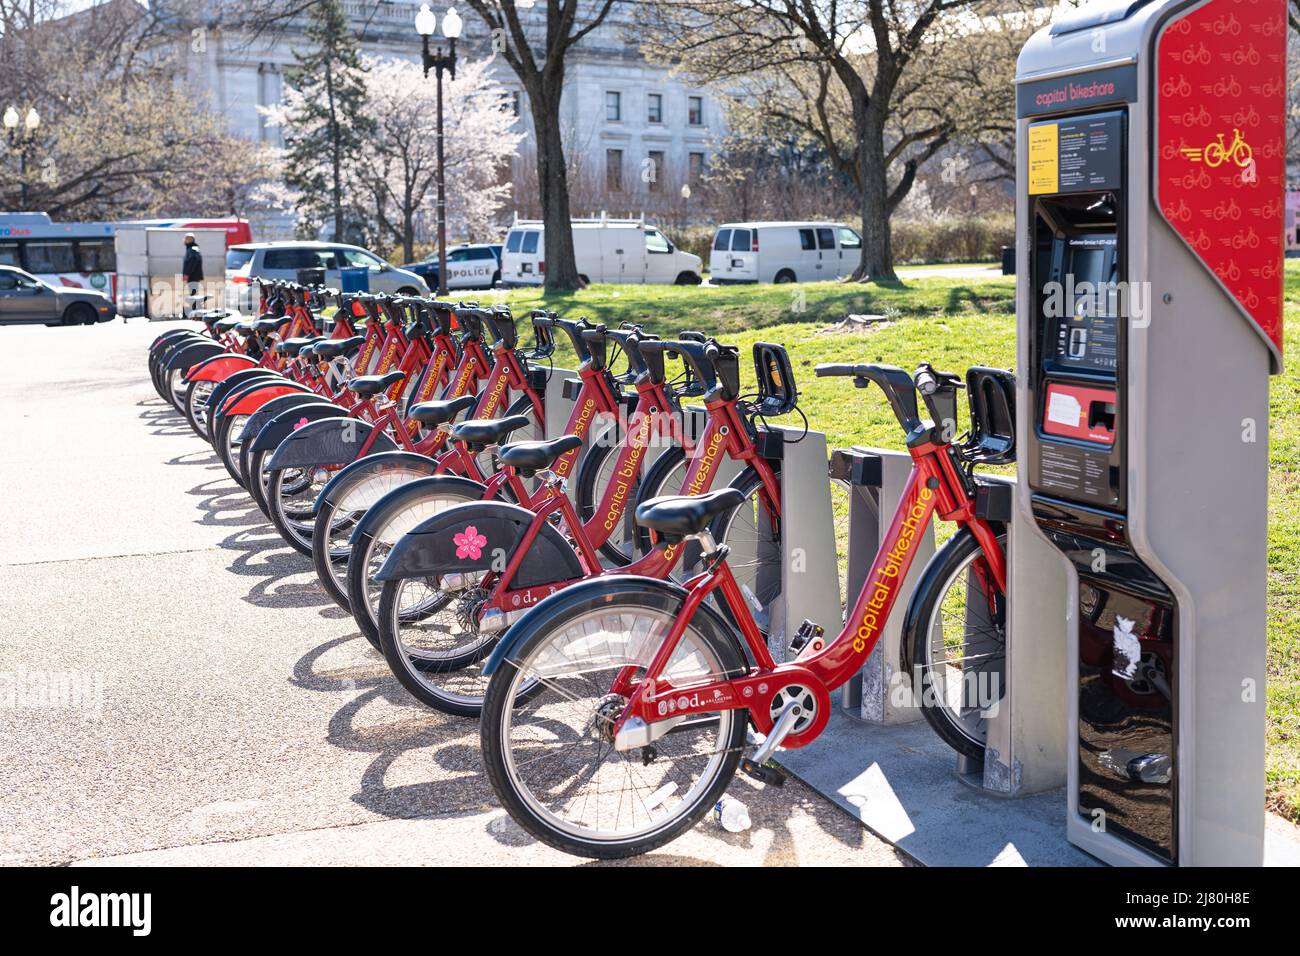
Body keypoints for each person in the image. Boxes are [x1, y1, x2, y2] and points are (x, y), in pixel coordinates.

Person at [182, 233, 204, 318]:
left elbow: (192, 262)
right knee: (193, 294)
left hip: (193, 276)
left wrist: (187, 274)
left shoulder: (193, 249)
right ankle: (195, 312)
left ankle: (196, 312)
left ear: (190, 240)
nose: (184, 241)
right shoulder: (191, 248)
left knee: (194, 294)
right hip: (193, 276)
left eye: (186, 239)